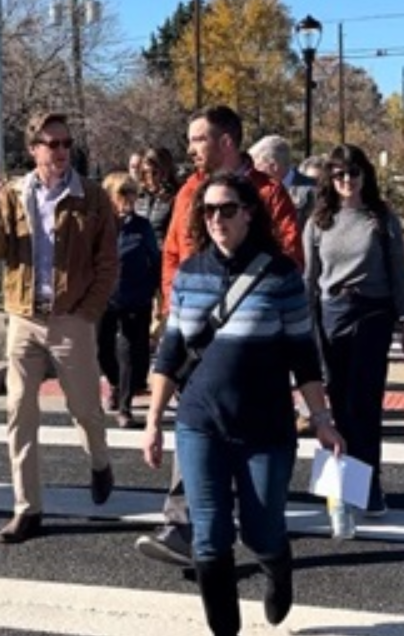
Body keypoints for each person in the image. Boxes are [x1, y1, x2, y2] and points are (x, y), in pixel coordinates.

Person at [144, 172, 344, 636]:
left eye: (227, 209)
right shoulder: (191, 273)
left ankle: (278, 564)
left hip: (266, 427)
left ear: (249, 213)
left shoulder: (281, 276)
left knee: (260, 530)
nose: (216, 219)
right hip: (200, 423)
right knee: (210, 538)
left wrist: (322, 420)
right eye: (208, 210)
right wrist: (154, 420)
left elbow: (303, 356)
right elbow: (171, 350)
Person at [135, 105, 303, 567]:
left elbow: (291, 261)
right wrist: (179, 310)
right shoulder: (191, 190)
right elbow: (173, 253)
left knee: (247, 449)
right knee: (195, 422)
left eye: (198, 140)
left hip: (252, 342)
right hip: (198, 337)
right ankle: (187, 526)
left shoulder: (269, 194)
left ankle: (253, 531)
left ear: (225, 141)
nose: (191, 150)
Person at [0, 111, 118, 544]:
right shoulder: (14, 194)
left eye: (65, 144)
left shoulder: (91, 196)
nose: (59, 152)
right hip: (24, 317)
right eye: (50, 144)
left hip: (70, 320)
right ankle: (27, 508)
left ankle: (99, 461)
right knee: (19, 412)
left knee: (85, 410)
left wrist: (86, 314)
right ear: (33, 149)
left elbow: (107, 263)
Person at [303, 144, 404, 538]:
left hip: (373, 314)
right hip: (332, 314)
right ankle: (339, 495)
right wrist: (301, 328)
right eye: (338, 175)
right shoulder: (319, 221)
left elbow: (399, 272)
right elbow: (309, 281)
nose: (347, 181)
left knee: (364, 405)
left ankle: (368, 489)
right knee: (333, 406)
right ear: (329, 181)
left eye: (353, 173)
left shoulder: (381, 218)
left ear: (365, 175)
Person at [97, 172, 159, 428]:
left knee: (129, 353)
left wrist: (157, 294)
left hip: (136, 297)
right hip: (104, 298)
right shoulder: (100, 225)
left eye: (132, 193)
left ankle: (125, 407)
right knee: (102, 349)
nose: (128, 199)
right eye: (123, 193)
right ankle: (113, 382)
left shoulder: (142, 227)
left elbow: (155, 261)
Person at [249, 134, 316, 229]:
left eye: (256, 167)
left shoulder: (313, 191)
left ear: (273, 166)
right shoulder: (258, 192)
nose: (252, 173)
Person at [138, 146, 180, 247]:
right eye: (146, 173)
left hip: (163, 255)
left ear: (166, 172)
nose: (150, 178)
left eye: (155, 173)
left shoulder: (176, 196)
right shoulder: (138, 196)